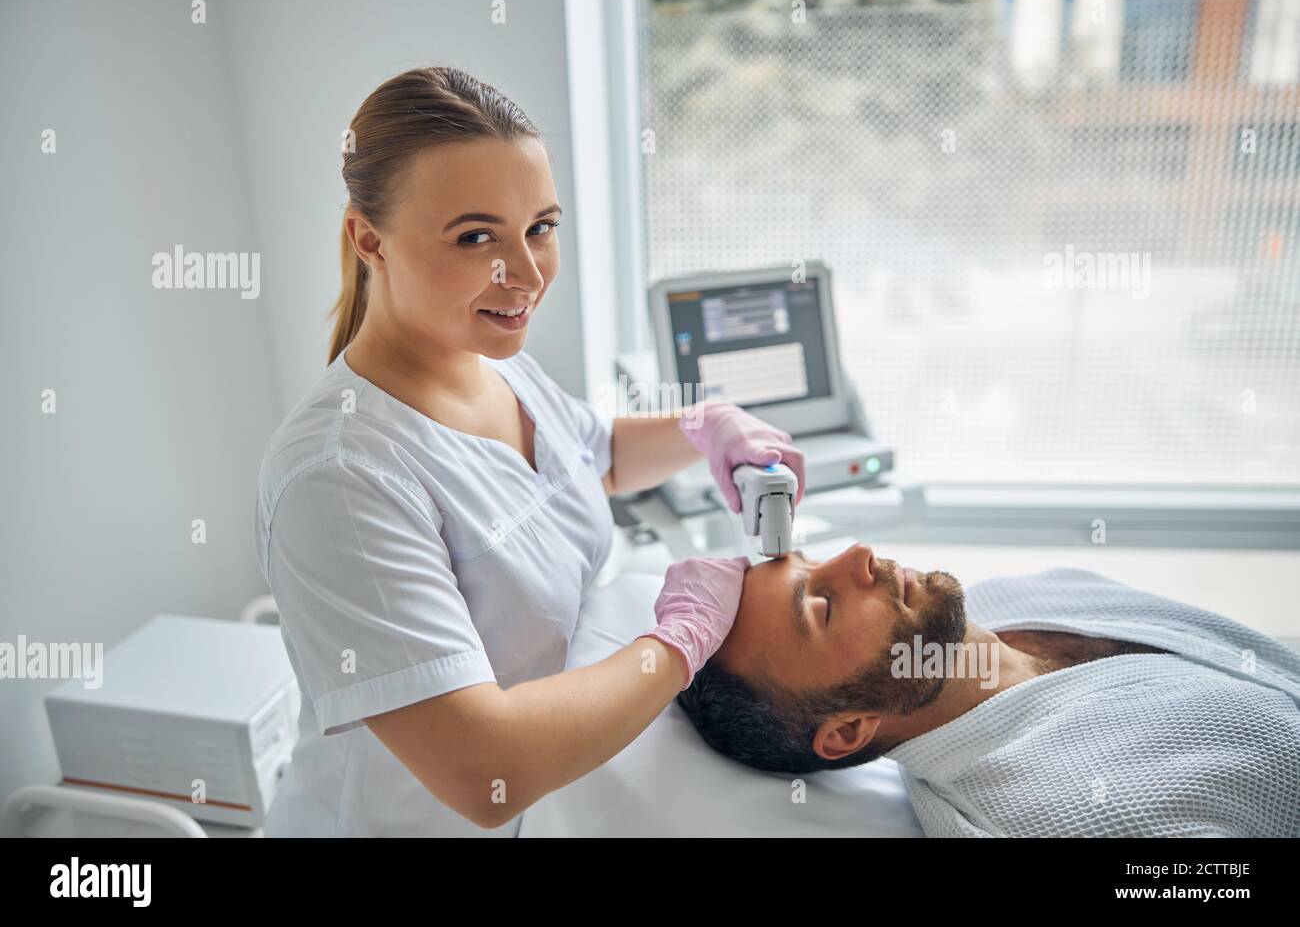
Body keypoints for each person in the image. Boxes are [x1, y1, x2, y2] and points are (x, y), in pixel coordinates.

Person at [253, 64, 804, 836]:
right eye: (476, 237)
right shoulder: (341, 478)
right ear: (367, 237)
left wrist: (704, 424)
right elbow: (488, 774)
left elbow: (593, 456)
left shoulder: (493, 361)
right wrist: (680, 641)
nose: (527, 275)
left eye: (540, 227)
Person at [677, 544, 1300, 836]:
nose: (858, 555)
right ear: (847, 730)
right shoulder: (1055, 819)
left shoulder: (1024, 592)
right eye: (822, 605)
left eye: (812, 559)